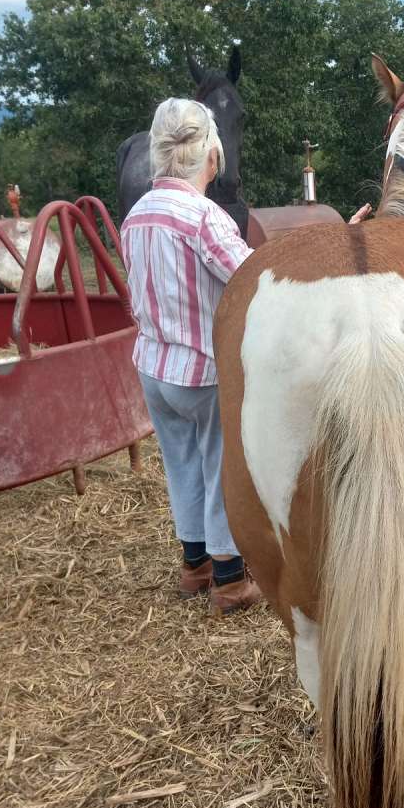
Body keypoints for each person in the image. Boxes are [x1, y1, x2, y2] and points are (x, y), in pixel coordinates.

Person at [121, 98, 371, 613]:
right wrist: (333, 240)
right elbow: (257, 277)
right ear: (211, 158)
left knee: (180, 462)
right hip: (202, 369)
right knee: (220, 465)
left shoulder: (136, 216)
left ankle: (195, 566)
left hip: (152, 366)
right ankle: (231, 579)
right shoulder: (202, 217)